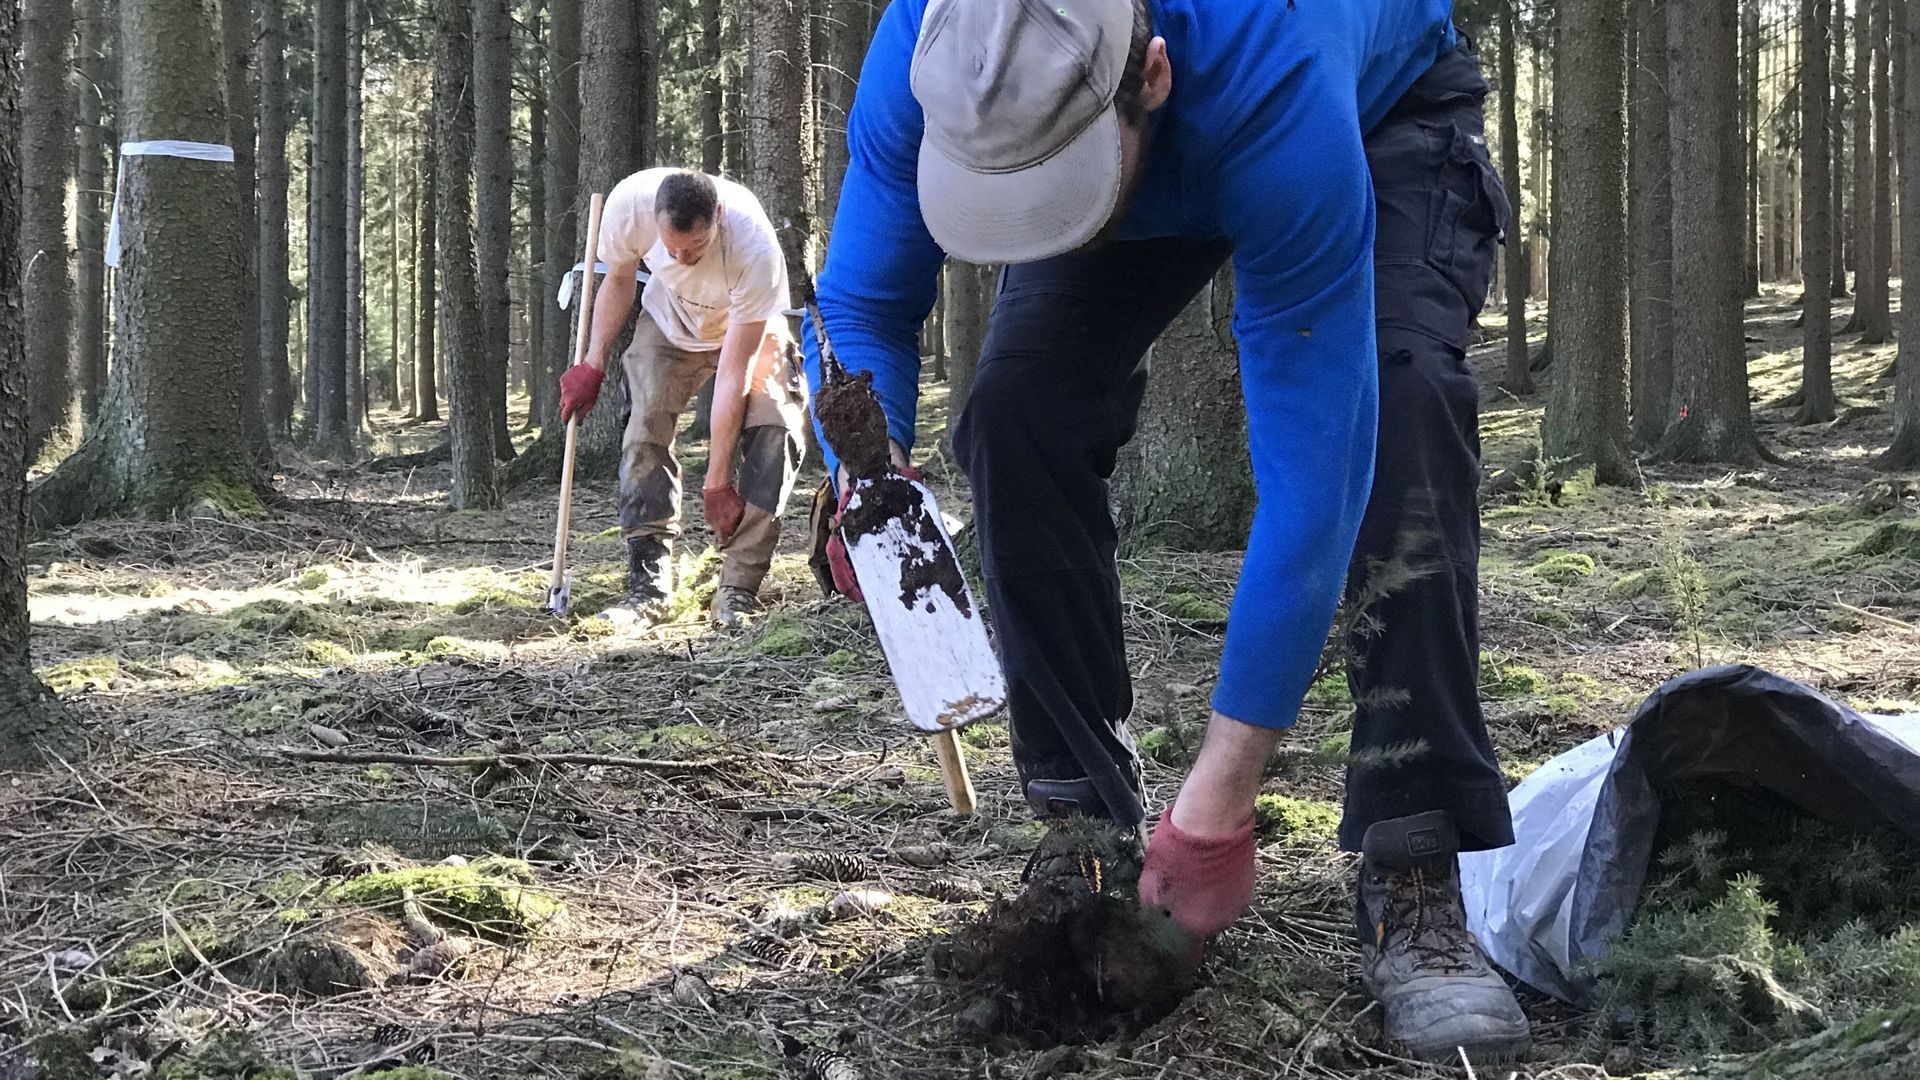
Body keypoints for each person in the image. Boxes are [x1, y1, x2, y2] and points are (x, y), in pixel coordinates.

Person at [803, 0, 1528, 1063]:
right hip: (1115, 140)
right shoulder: (935, 47)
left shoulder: (1274, 64)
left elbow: (1315, 480)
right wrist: (867, 484)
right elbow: (863, 296)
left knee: (1403, 409)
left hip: (1374, 116)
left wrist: (1220, 802)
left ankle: (1413, 862)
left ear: (1147, 73)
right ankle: (1083, 828)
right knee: (1017, 411)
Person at [559, 168, 807, 628]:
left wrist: (717, 483)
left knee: (776, 428)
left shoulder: (753, 248)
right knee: (644, 424)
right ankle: (648, 583)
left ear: (718, 217)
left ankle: (737, 588)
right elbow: (618, 279)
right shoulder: (628, 205)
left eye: (693, 247)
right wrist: (592, 365)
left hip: (745, 328)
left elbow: (733, 374)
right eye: (669, 247)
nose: (679, 257)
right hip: (668, 320)